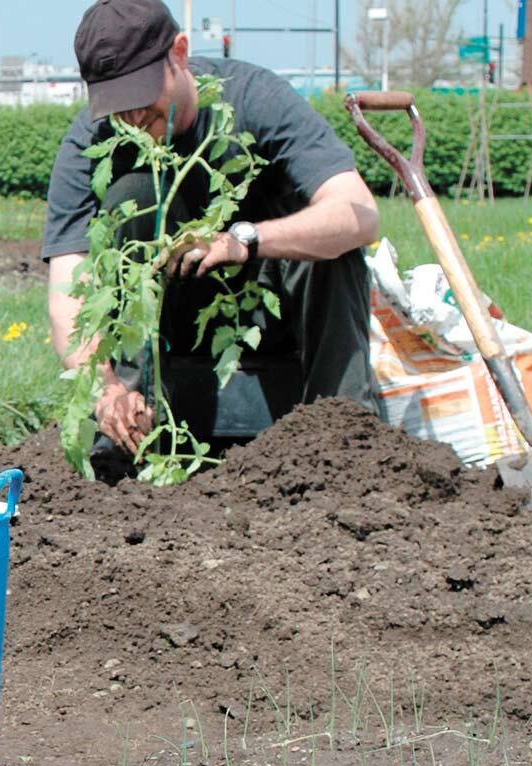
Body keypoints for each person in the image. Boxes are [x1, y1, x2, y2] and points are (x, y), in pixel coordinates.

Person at [43, 0, 382, 455]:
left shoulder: (254, 99)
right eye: (118, 106)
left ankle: (342, 437)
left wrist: (247, 239)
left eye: (144, 97)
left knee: (324, 233)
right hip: (171, 322)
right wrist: (103, 390)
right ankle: (131, 426)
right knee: (134, 196)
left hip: (274, 316)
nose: (135, 119)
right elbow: (68, 290)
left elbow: (359, 211)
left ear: (179, 53)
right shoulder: (90, 143)